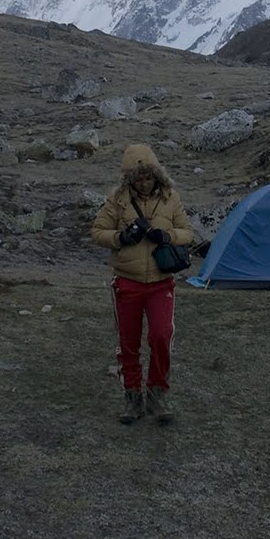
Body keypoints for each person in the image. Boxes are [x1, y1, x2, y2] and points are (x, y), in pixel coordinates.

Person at [91, 143, 194, 425]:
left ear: (157, 176)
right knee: (128, 344)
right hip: (127, 283)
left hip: (161, 282)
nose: (144, 183)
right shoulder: (118, 200)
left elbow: (187, 232)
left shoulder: (171, 198)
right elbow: (98, 231)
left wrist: (167, 236)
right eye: (138, 178)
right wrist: (121, 238)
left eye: (149, 177)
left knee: (161, 337)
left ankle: (157, 394)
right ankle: (132, 397)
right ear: (129, 179)